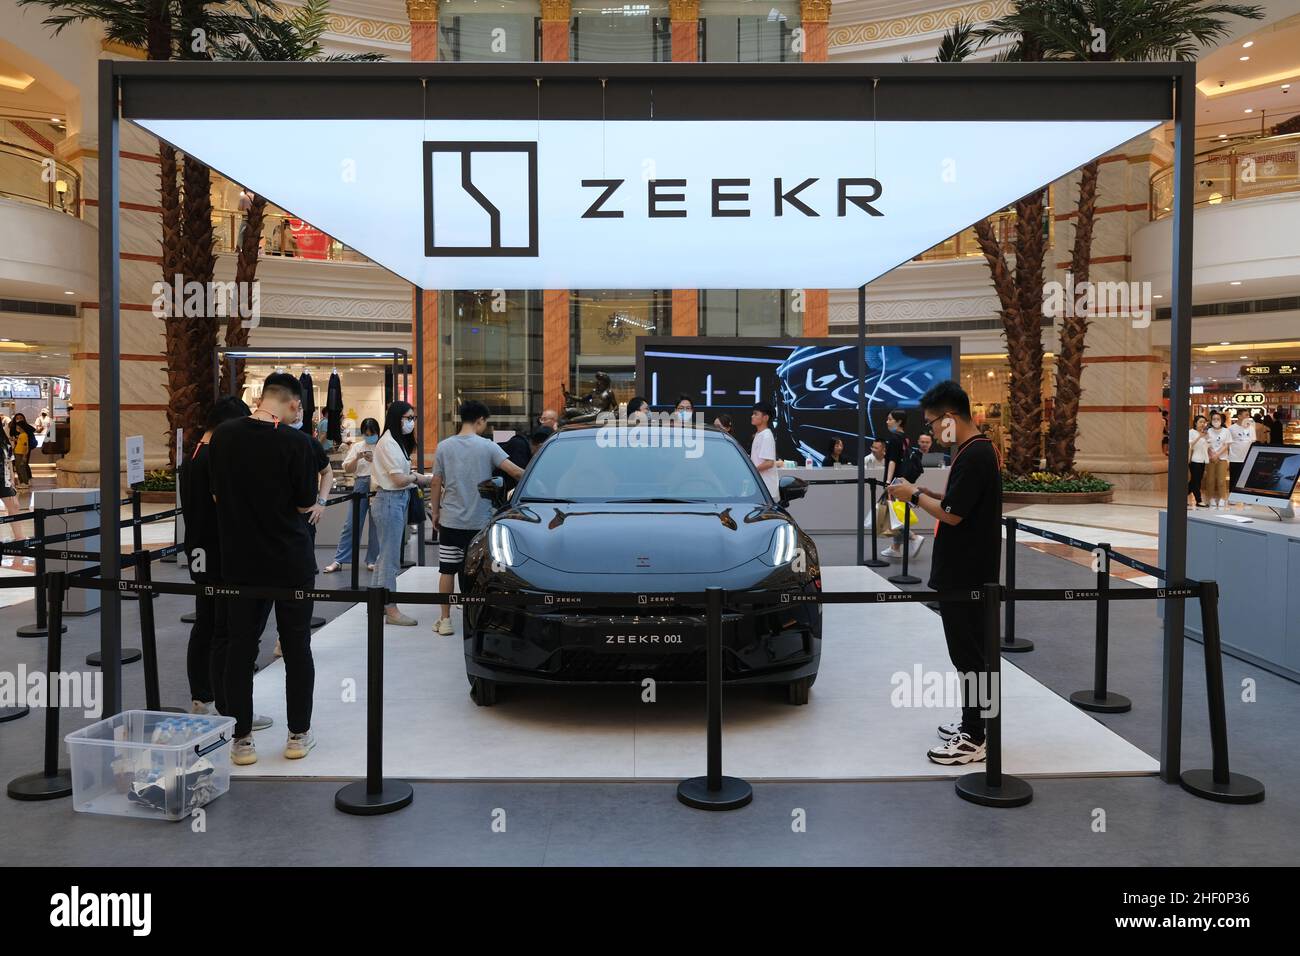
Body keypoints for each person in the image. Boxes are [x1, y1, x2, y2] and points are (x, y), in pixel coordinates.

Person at [208, 373, 321, 766]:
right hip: (290, 561)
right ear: (293, 404)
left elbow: (217, 494)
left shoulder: (223, 437)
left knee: (240, 648)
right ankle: (297, 736)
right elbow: (306, 503)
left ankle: (241, 741)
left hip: (239, 562)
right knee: (296, 648)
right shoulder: (298, 443)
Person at [887, 380, 1001, 766]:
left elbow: (953, 515)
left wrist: (913, 497)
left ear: (951, 418)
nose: (932, 430)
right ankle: (975, 724)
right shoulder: (974, 452)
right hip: (964, 570)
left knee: (969, 655)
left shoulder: (976, 455)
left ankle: (974, 736)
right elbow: (956, 504)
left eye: (934, 422)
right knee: (968, 654)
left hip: (966, 573)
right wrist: (920, 492)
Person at [180, 396, 273, 728]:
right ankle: (229, 707)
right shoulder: (214, 457)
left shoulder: (193, 455)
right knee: (225, 631)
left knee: (207, 625)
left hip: (200, 551)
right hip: (220, 554)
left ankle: (204, 698)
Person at [428, 400, 524, 636]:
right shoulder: (488, 447)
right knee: (478, 572)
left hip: (450, 520)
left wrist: (437, 512)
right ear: (480, 420)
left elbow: (435, 482)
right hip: (481, 522)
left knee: (447, 570)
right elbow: (515, 471)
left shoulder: (443, 446)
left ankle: (445, 620)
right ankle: (476, 621)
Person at [371, 401, 432, 626]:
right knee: (389, 558)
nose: (411, 422)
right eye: (408, 417)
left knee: (385, 556)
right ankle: (390, 608)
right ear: (397, 418)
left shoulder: (396, 443)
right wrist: (418, 478)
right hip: (389, 500)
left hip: (395, 500)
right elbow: (397, 479)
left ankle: (377, 603)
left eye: (413, 418)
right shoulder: (388, 443)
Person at [323, 417, 381, 575]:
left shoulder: (383, 446)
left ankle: (372, 559)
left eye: (372, 433)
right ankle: (340, 559)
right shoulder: (357, 447)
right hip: (361, 483)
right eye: (366, 433)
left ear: (378, 432)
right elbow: (347, 468)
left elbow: (387, 467)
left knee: (376, 524)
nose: (370, 436)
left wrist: (373, 459)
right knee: (352, 523)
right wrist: (358, 457)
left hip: (378, 484)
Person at [882, 409, 924, 560]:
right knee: (897, 513)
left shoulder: (894, 438)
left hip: (894, 481)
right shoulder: (905, 438)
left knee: (894, 516)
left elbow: (892, 460)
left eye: (890, 419)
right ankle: (895, 548)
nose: (887, 422)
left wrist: (887, 481)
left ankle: (913, 537)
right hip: (903, 480)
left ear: (899, 422)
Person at [749, 402, 779, 496]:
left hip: (767, 489)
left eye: (756, 414)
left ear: (765, 418)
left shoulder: (766, 436)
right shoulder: (759, 434)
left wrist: (751, 470)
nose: (752, 416)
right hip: (761, 487)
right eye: (753, 414)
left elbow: (769, 463)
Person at [1203, 410, 1231, 508]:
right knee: (1210, 480)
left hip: (1222, 458)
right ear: (1211, 420)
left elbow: (1226, 445)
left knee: (1221, 480)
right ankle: (1210, 498)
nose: (1216, 420)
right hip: (1210, 458)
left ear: (1221, 420)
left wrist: (1217, 454)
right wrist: (1212, 454)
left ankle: (1223, 498)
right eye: (1214, 419)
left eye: (1218, 419)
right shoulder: (1208, 431)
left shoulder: (1226, 431)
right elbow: (1206, 444)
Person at [1227, 409, 1256, 498]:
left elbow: (1253, 442)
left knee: (1247, 479)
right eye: (1246, 415)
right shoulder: (1231, 428)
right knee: (1234, 479)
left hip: (1248, 458)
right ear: (1239, 416)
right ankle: (1233, 497)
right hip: (1235, 457)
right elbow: (1227, 443)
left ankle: (1247, 498)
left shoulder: (1251, 428)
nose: (1248, 417)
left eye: (1248, 415)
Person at [8, 414, 36, 488]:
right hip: (17, 451)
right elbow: (19, 441)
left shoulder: (24, 434)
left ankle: (25, 481)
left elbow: (25, 445)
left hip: (22, 452)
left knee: (22, 466)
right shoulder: (19, 433)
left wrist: (24, 455)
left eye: (21, 418)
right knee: (18, 467)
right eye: (17, 418)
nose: (19, 419)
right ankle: (22, 481)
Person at [1187, 414, 1209, 508]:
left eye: (1204, 422)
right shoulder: (1191, 432)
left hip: (1203, 460)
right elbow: (1191, 445)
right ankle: (1199, 500)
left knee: (1195, 481)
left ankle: (1180, 497)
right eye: (1200, 422)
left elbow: (1207, 446)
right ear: (1195, 423)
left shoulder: (1205, 434)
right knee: (1196, 481)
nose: (1202, 424)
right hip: (1194, 460)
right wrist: (1199, 436)